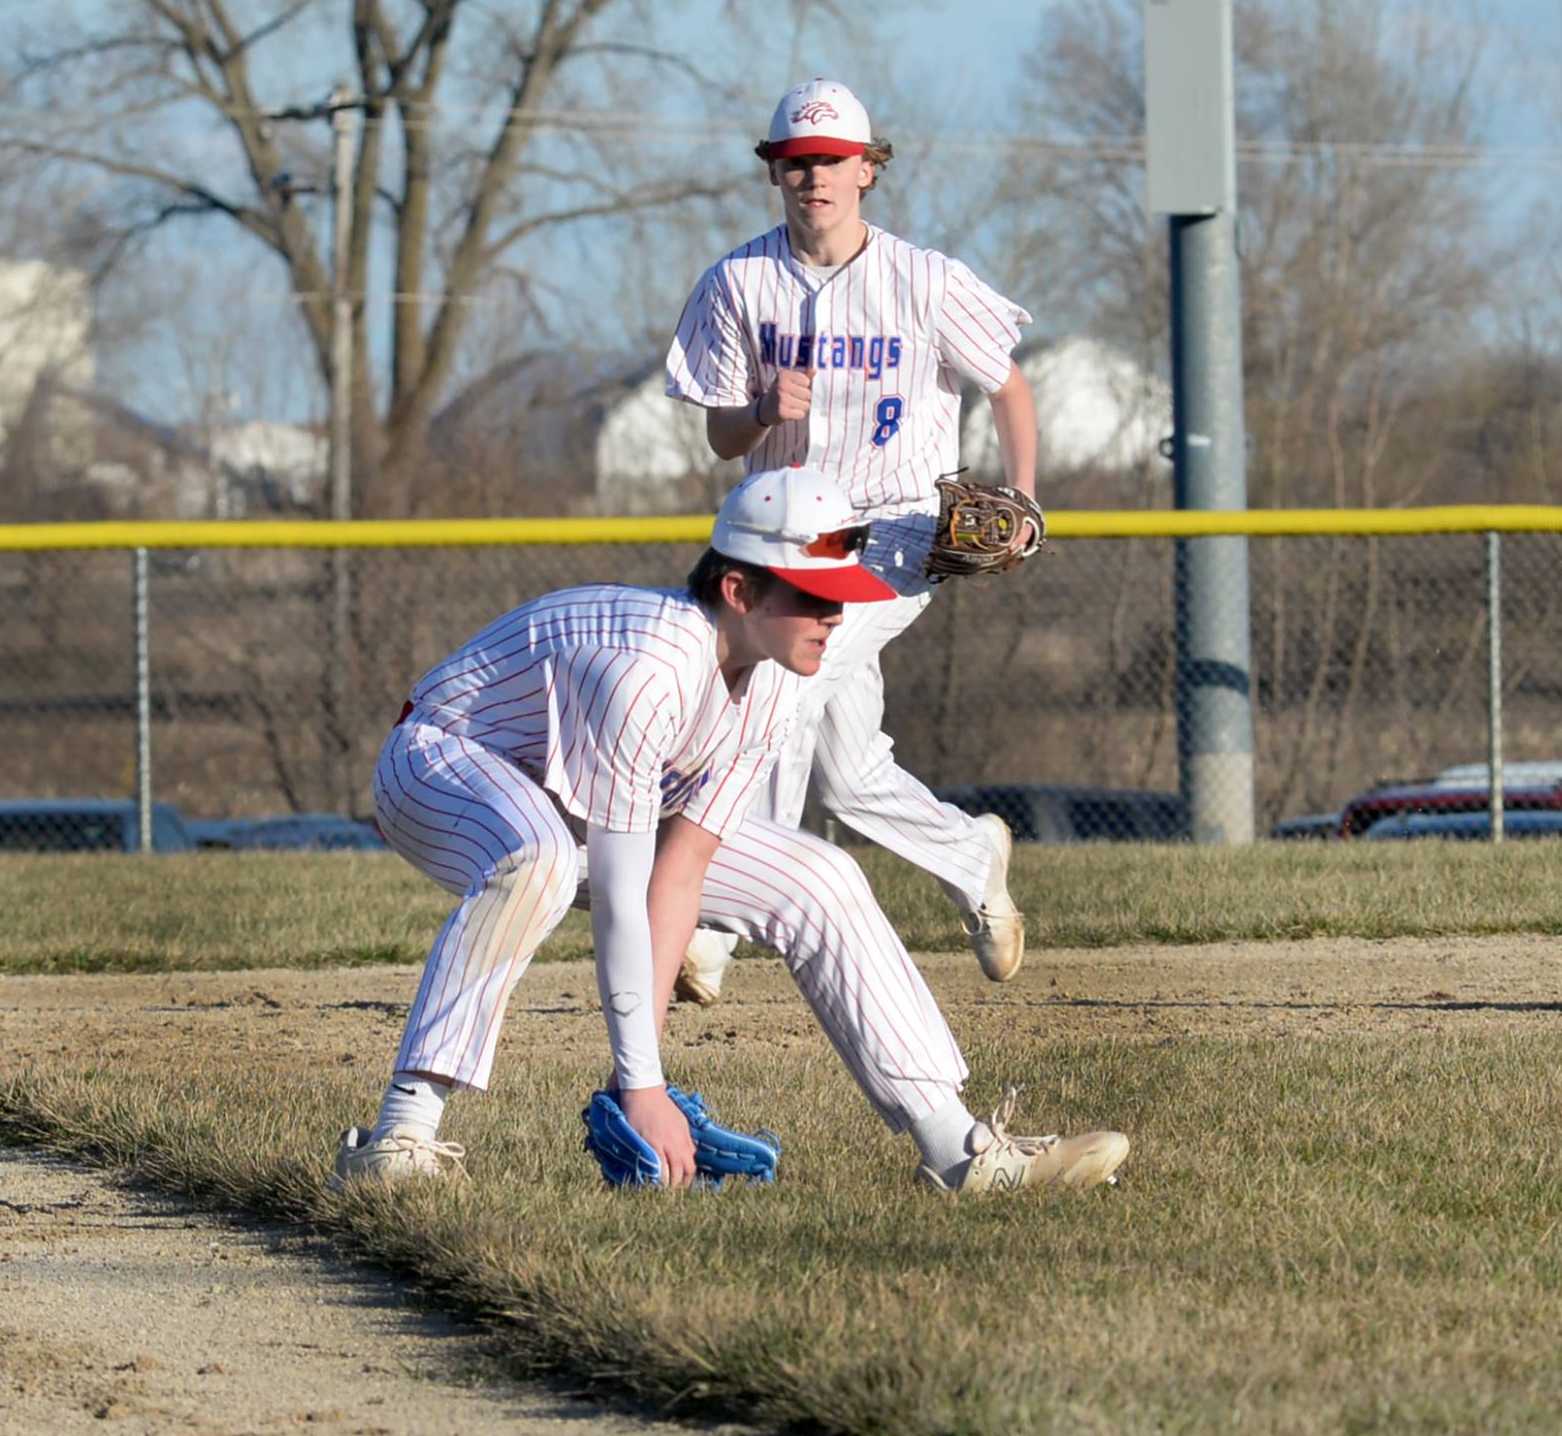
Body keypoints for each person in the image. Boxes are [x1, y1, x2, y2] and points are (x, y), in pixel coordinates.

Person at [332, 467, 1127, 1195]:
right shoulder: (646, 670)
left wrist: (634, 1077)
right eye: (811, 595)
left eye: (839, 592)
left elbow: (675, 875)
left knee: (819, 878)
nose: (834, 613)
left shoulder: (775, 678)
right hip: (441, 762)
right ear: (740, 591)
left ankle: (963, 1154)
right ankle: (400, 1138)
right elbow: (617, 891)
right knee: (536, 856)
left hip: (565, 794)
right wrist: (642, 1089)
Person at [666, 77, 1042, 1005]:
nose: (813, 177)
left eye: (831, 161)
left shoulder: (925, 279)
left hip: (898, 533)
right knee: (848, 772)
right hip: (783, 539)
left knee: (784, 698)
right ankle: (970, 853)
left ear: (867, 170)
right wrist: (757, 412)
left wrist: (1026, 499)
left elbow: (1009, 385)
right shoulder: (739, 282)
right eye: (794, 163)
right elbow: (718, 432)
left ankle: (715, 922)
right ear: (775, 174)